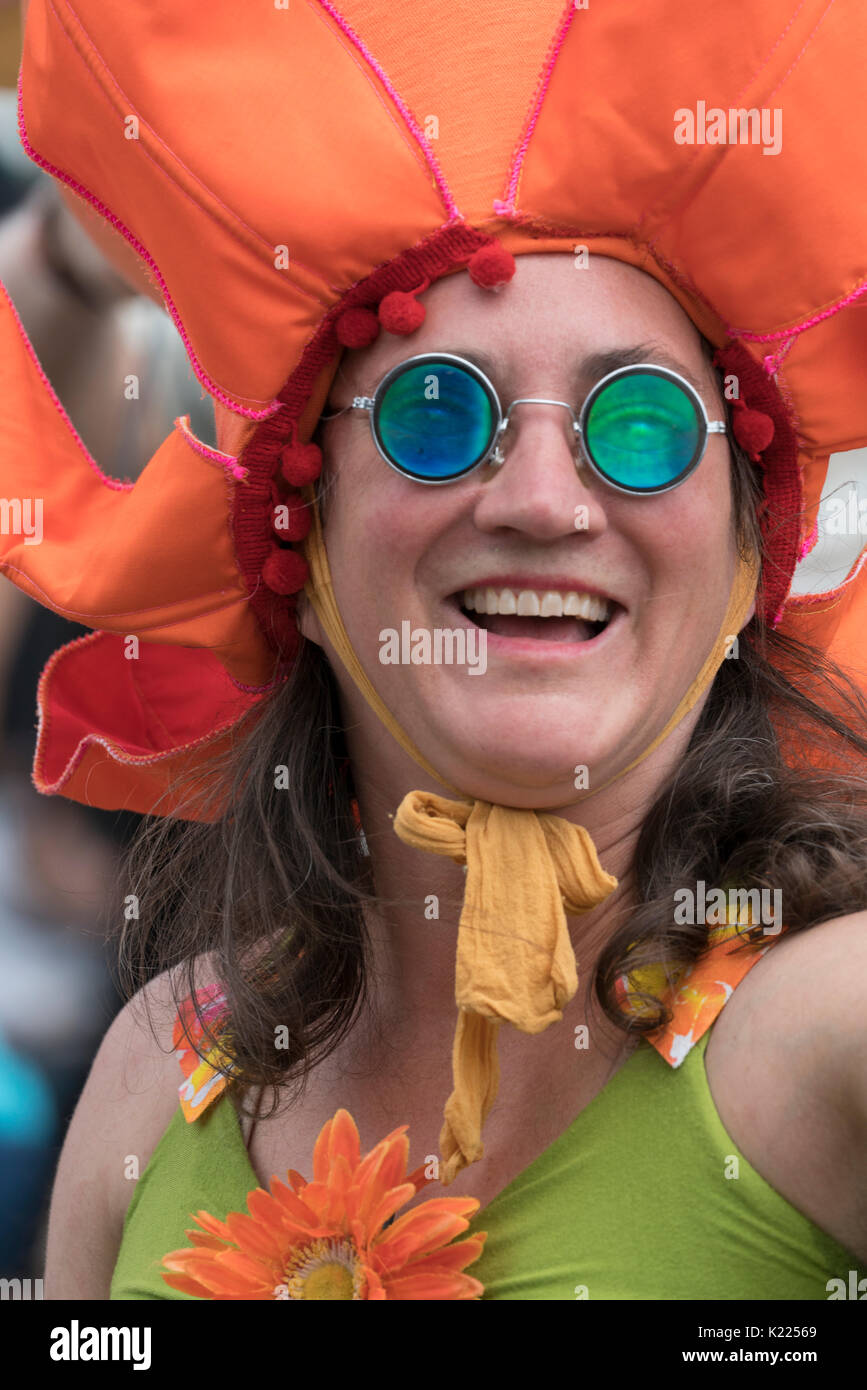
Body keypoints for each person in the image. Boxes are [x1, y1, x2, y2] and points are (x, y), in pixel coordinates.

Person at [1, 2, 865, 1300]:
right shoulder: (165, 1069)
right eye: (438, 412)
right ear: (297, 548)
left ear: (750, 561)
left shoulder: (837, 1031)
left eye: (638, 425)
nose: (542, 501)